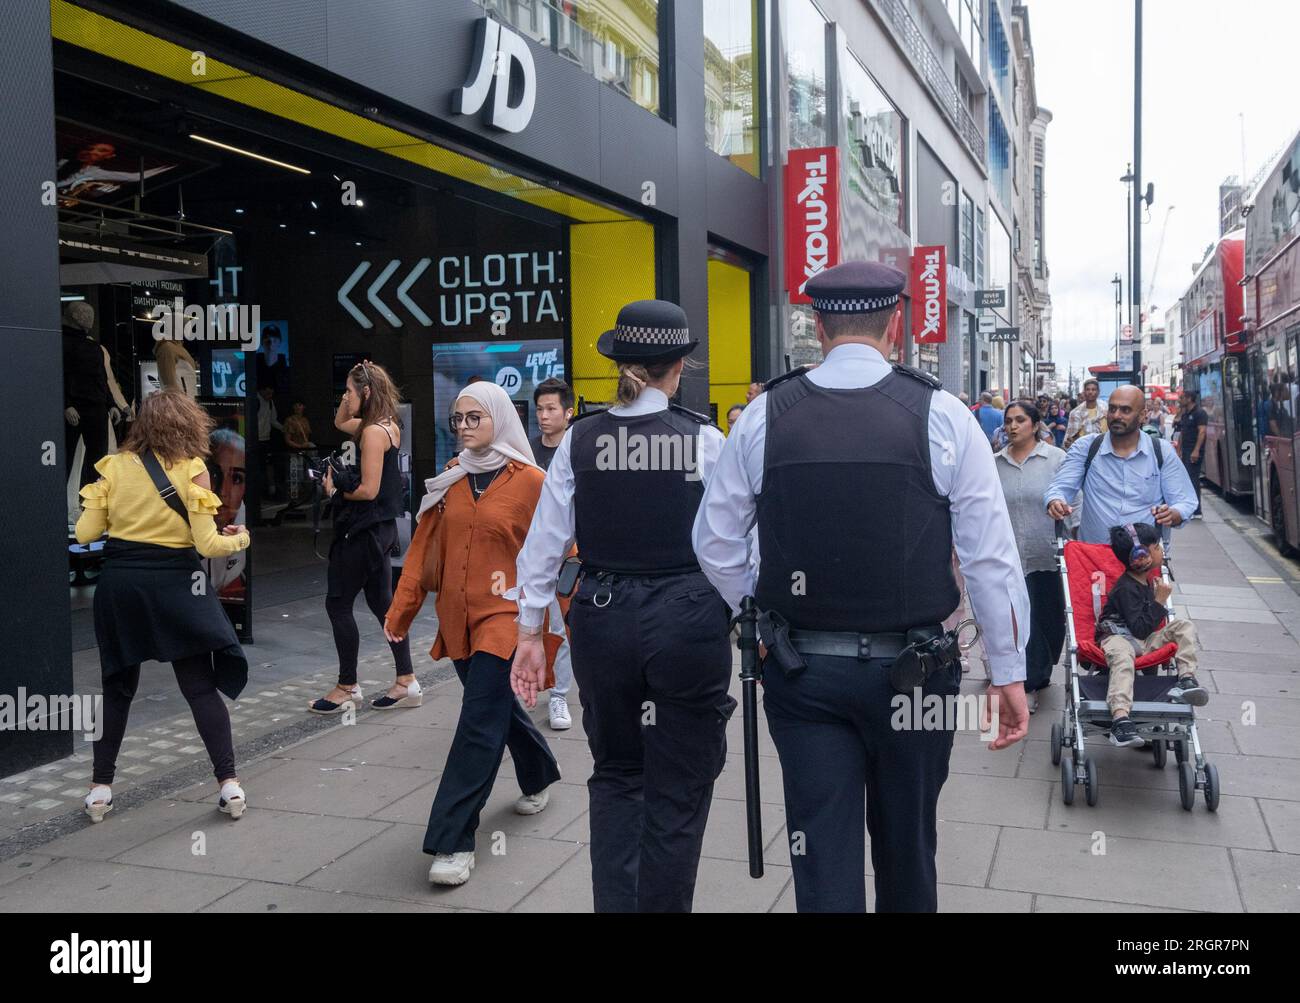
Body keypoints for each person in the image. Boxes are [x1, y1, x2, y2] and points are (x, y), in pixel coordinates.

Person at [693, 262, 1029, 913]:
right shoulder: (944, 415)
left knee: (821, 860)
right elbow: (990, 558)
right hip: (917, 673)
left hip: (803, 673)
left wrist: (756, 617)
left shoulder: (764, 415)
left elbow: (713, 541)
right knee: (909, 850)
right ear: (896, 324)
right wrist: (1008, 672)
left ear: (818, 325)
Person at [510, 299, 733, 912]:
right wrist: (748, 614)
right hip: (688, 616)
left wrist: (531, 631)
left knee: (616, 776)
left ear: (620, 362)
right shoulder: (704, 439)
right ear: (679, 366)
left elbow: (543, 548)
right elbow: (735, 545)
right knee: (681, 785)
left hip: (604, 616)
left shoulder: (581, 438)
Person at [385, 380, 563, 887]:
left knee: (477, 722)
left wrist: (584, 622)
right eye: (457, 419)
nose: (463, 427)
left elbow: (560, 552)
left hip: (508, 618)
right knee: (497, 709)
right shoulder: (450, 483)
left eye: (473, 418)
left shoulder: (531, 482)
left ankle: (453, 838)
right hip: (457, 618)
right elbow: (422, 551)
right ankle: (539, 771)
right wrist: (402, 610)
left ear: (500, 419)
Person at [74, 391, 251, 823]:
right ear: (189, 425)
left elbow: (84, 534)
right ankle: (229, 784)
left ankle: (100, 791)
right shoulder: (193, 470)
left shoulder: (112, 468)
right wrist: (242, 537)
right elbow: (208, 545)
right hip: (177, 586)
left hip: (122, 587)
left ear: (142, 426)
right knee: (198, 687)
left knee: (116, 689)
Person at [309, 362, 416, 713]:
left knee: (338, 603)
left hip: (363, 531)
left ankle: (347, 686)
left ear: (366, 393)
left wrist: (333, 491)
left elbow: (368, 491)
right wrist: (351, 394)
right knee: (383, 605)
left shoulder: (372, 433)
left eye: (350, 391)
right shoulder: (387, 426)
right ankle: (406, 680)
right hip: (380, 531)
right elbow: (340, 422)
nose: (345, 397)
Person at [1096, 523, 1208, 747]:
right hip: (1118, 639)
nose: (1161, 550)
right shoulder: (1125, 588)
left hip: (1142, 640)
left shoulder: (1145, 582)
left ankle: (1186, 678)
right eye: (1156, 547)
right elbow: (1139, 628)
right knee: (1122, 659)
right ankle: (1120, 718)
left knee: (1183, 626)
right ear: (1141, 556)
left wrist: (1155, 598)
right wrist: (1158, 601)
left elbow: (1144, 632)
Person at [1044, 385, 1198, 544]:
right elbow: (1061, 487)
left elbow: (1185, 501)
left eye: (1125, 410)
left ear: (1142, 415)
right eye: (1112, 409)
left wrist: (1173, 514)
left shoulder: (1162, 452)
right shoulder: (1086, 448)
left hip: (1145, 559)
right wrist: (1056, 501)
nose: (1116, 415)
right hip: (1094, 558)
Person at [994, 402, 1066, 714]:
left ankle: (1041, 668)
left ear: (1035, 425)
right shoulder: (994, 463)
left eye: (1020, 420)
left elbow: (1072, 497)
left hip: (1046, 553)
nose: (1012, 426)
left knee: (1050, 621)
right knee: (1022, 623)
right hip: (1008, 557)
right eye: (1008, 421)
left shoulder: (1056, 459)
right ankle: (1029, 682)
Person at [529, 376, 576, 731]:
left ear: (568, 413)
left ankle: (559, 694)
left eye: (550, 409)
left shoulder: (576, 451)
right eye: (539, 409)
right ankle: (535, 687)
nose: (543, 416)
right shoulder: (527, 451)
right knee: (529, 623)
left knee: (563, 626)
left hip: (571, 554)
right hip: (530, 549)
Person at [1173, 388, 1208, 519]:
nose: (1179, 400)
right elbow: (1182, 433)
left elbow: (1202, 432)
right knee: (1187, 479)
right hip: (1186, 450)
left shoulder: (1200, 413)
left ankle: (1197, 511)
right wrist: (1178, 450)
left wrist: (1196, 450)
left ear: (1189, 399)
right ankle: (1191, 508)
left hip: (1194, 450)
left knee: (1193, 480)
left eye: (1182, 398)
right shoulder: (1185, 414)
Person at [1063, 379, 1107, 449]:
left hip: (1104, 448)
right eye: (1088, 389)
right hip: (1083, 450)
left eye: (1093, 389)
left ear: (1098, 392)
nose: (1090, 392)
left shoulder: (1106, 409)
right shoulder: (1075, 413)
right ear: (1084, 392)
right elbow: (1070, 437)